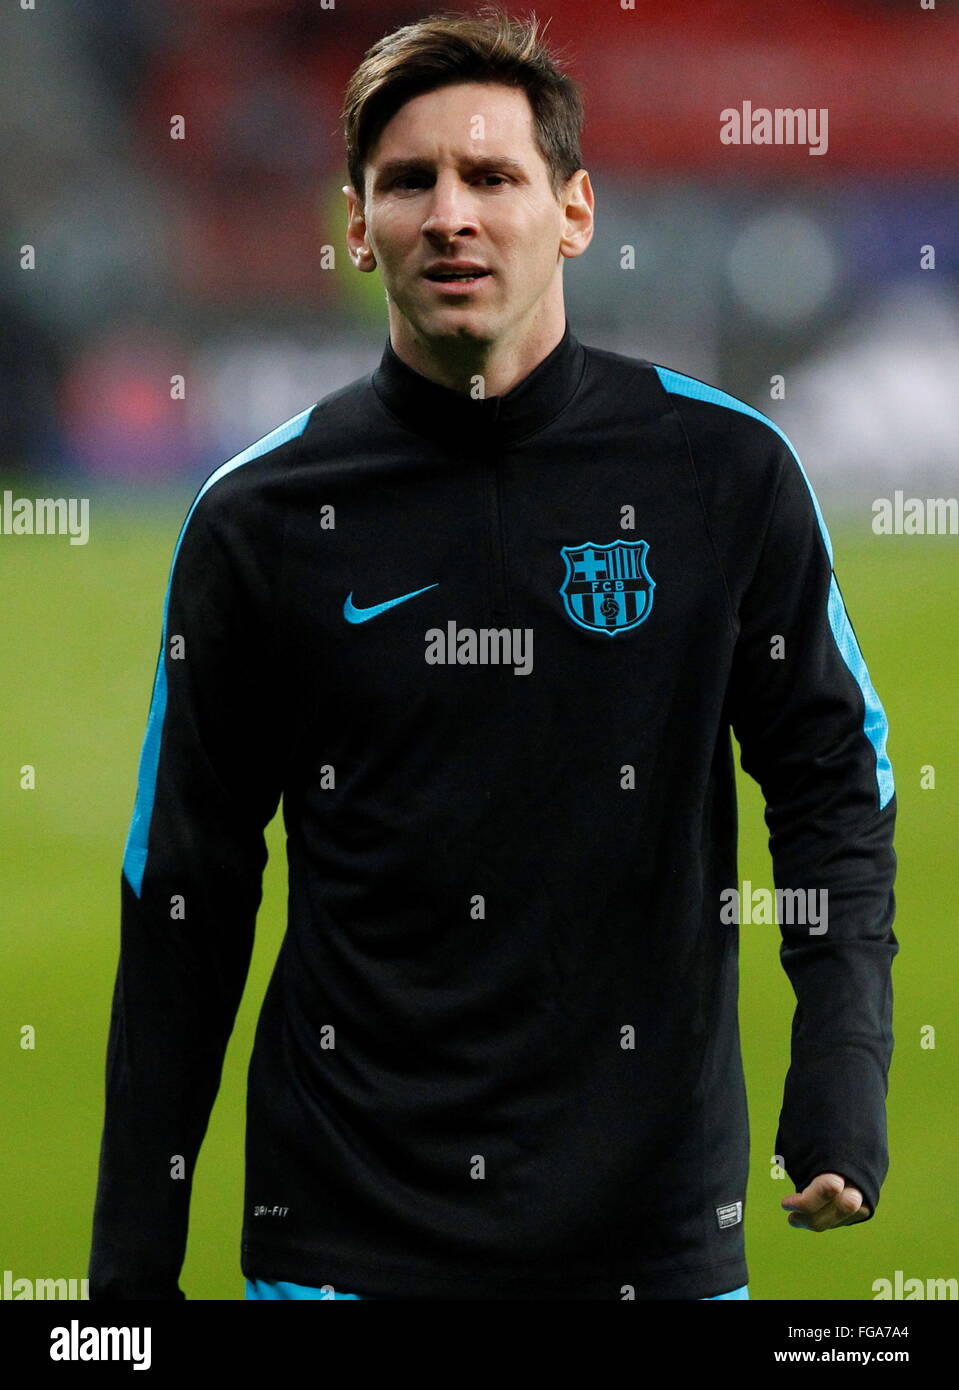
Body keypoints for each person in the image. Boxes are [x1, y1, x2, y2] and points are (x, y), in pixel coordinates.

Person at [88, 7, 898, 1302]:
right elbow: (184, 888)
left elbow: (831, 781)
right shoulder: (260, 518)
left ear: (573, 210)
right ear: (357, 226)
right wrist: (126, 1283)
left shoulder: (724, 473)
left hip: (652, 1243)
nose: (451, 213)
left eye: (493, 175)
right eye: (409, 181)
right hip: (340, 1244)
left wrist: (842, 1074)